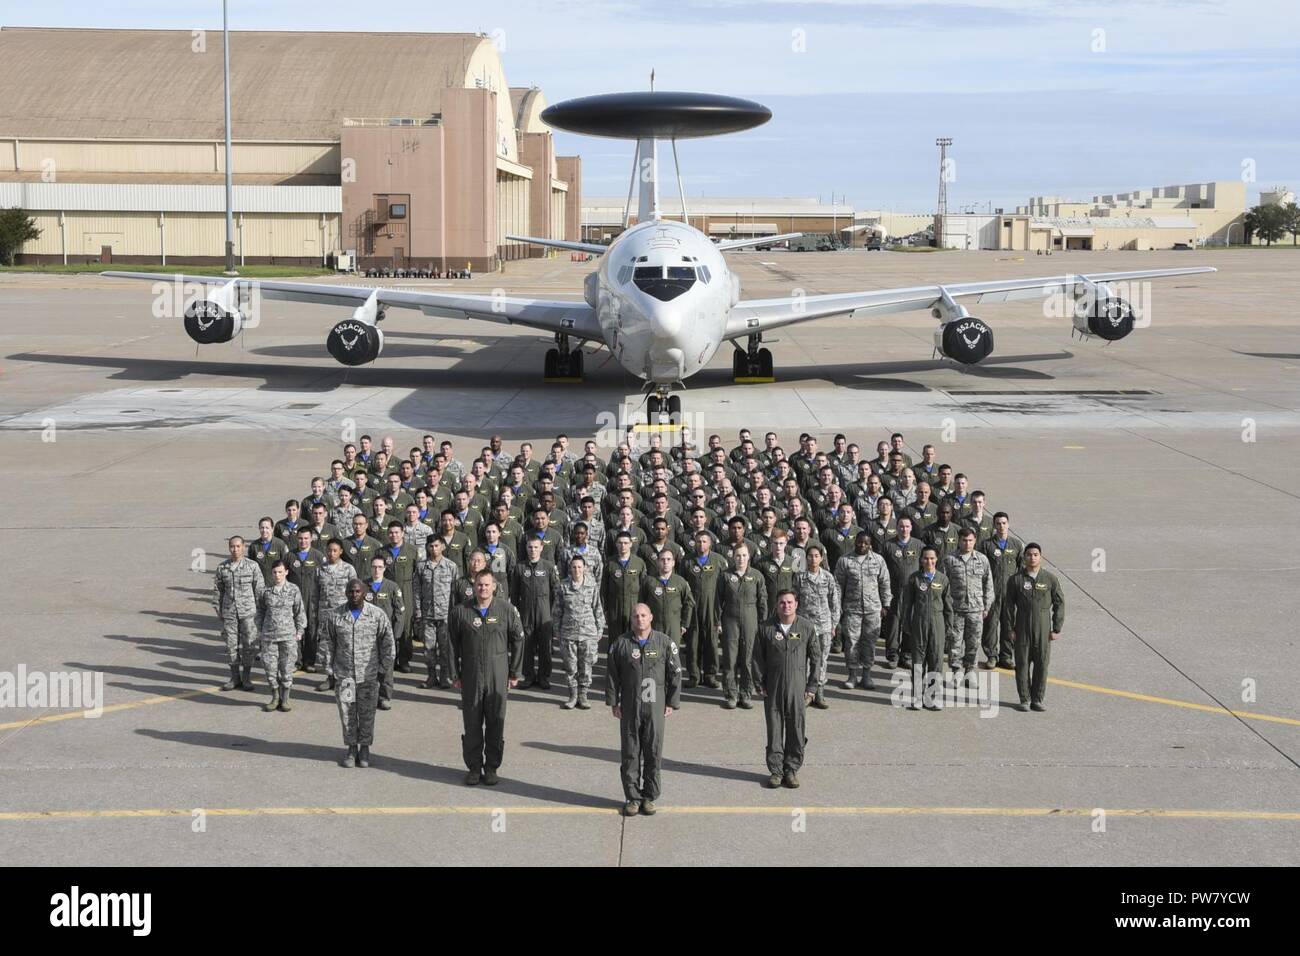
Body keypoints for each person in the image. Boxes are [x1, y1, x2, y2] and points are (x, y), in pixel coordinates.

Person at [447, 569, 525, 786]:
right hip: (471, 675)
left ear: (494, 586)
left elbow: (519, 640)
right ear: (474, 586)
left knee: (495, 722)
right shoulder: (460, 612)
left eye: (487, 584)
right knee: (471, 723)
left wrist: (515, 672)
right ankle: (473, 767)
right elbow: (451, 645)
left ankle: (491, 767)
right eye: (479, 584)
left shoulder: (506, 610)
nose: (483, 588)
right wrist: (454, 673)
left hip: (497, 675)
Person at [605, 603, 682, 817]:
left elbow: (675, 672)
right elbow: (612, 675)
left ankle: (649, 796)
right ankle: (632, 797)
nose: (640, 619)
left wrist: (671, 702)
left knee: (653, 751)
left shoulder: (664, 642)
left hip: (655, 705)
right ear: (631, 619)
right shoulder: (621, 644)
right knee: (630, 752)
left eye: (643, 615)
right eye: (636, 616)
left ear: (651, 618)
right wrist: (613, 702)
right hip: (630, 705)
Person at [322, 577, 395, 768]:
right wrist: (330, 669)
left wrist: (382, 669)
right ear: (346, 593)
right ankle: (351, 748)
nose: (354, 595)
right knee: (347, 714)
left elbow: (388, 643)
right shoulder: (335, 616)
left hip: (368, 676)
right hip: (345, 676)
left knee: (367, 714)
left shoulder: (377, 615)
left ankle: (364, 748)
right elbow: (327, 642)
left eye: (358, 591)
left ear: (364, 593)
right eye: (351, 591)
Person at [752, 590, 821, 789]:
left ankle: (791, 769)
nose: (786, 606)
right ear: (777, 604)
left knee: (796, 729)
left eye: (790, 602)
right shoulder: (765, 628)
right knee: (774, 730)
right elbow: (757, 658)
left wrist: (812, 686)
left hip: (797, 689)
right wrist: (759, 683)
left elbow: (816, 659)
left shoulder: (806, 627)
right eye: (782, 602)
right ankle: (776, 771)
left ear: (796, 604)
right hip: (772, 687)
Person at [1002, 543, 1065, 712]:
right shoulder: (1015, 579)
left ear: (1041, 557)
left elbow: (1059, 603)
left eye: (1035, 554)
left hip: (1043, 629)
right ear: (1024, 557)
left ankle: (1037, 699)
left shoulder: (1050, 579)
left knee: (1041, 665)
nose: (1032, 557)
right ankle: (1024, 698)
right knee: (1022, 665)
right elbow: (1008, 606)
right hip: (1022, 628)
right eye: (1029, 554)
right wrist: (1010, 628)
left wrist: (1056, 628)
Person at [897, 546, 953, 711]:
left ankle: (932, 698)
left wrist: (949, 626)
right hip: (919, 623)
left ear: (937, 560)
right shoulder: (914, 579)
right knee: (918, 662)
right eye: (926, 558)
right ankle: (916, 698)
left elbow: (949, 605)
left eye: (932, 558)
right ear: (921, 560)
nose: (929, 561)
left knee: (935, 661)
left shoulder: (943, 579)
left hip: (937, 623)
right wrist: (905, 623)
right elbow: (907, 603)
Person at [833, 531, 891, 690]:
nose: (862, 545)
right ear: (855, 542)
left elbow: (885, 583)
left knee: (870, 643)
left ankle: (867, 675)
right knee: (851, 642)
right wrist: (837, 607)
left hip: (873, 609)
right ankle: (852, 675)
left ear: (870, 544)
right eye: (860, 542)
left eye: (866, 543)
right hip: (852, 609)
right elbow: (838, 586)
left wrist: (886, 604)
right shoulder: (844, 560)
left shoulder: (878, 560)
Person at [551, 554, 606, 709]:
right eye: (574, 567)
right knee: (570, 666)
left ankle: (583, 695)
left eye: (579, 567)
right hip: (568, 632)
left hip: (588, 632)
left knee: (587, 665)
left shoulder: (592, 585)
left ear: (585, 568)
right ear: (570, 568)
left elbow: (597, 607)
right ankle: (572, 695)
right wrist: (557, 629)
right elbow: (557, 610)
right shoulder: (563, 586)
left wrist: (600, 627)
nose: (577, 570)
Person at [718, 546, 768, 710]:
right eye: (737, 555)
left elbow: (762, 602)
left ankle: (746, 694)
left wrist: (763, 623)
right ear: (733, 557)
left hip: (750, 620)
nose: (741, 558)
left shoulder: (756, 576)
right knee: (730, 659)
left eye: (744, 555)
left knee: (748, 659)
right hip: (730, 620)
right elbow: (718, 601)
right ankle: (731, 695)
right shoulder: (725, 575)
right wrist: (717, 622)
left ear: (749, 557)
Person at [213, 535, 264, 692]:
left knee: (249, 645)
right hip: (229, 613)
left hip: (249, 613)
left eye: (238, 546)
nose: (235, 550)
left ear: (243, 547)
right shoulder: (222, 568)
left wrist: (260, 613)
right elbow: (217, 591)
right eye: (232, 547)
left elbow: (260, 590)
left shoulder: (252, 566)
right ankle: (235, 677)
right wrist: (219, 610)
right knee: (231, 646)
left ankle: (247, 677)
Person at [942, 527, 994, 680]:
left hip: (976, 609)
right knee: (954, 642)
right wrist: (946, 608)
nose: (967, 543)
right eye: (964, 540)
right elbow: (944, 584)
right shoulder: (949, 559)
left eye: (970, 540)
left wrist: (987, 606)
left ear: (975, 540)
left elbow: (988, 584)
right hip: (956, 609)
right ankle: (956, 670)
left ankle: (970, 670)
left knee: (974, 642)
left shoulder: (982, 559)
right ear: (959, 540)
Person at [255, 559, 306, 712]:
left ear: (286, 572)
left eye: (280, 572)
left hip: (288, 636)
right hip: (269, 637)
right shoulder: (265, 591)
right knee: (270, 669)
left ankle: (285, 698)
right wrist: (260, 630)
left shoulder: (293, 590)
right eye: (275, 572)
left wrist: (300, 631)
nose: (277, 575)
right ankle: (275, 696)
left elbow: (299, 612)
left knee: (287, 668)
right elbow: (260, 612)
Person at [511, 535, 561, 691]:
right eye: (530, 547)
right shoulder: (519, 567)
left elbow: (556, 591)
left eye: (535, 547)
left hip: (544, 612)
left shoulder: (548, 566)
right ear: (526, 548)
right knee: (527, 646)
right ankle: (528, 676)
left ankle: (544, 677)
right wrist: (516, 613)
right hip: (525, 612)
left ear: (541, 548)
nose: (532, 550)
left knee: (545, 647)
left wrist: (553, 612)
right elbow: (514, 593)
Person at [795, 544, 840, 709]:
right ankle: (807, 692)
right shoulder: (800, 578)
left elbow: (834, 602)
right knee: (805, 660)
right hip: (805, 626)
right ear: (805, 558)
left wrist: (834, 624)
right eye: (810, 556)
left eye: (816, 556)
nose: (813, 559)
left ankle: (819, 691)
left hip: (824, 626)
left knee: (821, 660)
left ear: (821, 558)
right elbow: (795, 601)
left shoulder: (828, 577)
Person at [413, 536, 459, 689]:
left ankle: (445, 677)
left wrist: (455, 614)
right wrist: (418, 612)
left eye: (437, 546)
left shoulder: (451, 566)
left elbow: (455, 592)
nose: (434, 549)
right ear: (427, 547)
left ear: (443, 547)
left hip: (446, 615)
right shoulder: (421, 567)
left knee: (445, 648)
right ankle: (431, 676)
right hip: (427, 615)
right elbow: (417, 591)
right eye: (431, 546)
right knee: (428, 649)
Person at [979, 513, 1023, 669]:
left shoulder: (1016, 545)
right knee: (990, 626)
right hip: (992, 593)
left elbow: (1022, 569)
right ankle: (991, 655)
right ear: (994, 526)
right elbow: (980, 568)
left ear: (1008, 524)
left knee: (1009, 626)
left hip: (1010, 594)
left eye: (1004, 523)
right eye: (998, 523)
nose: (1001, 526)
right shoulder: (986, 545)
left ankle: (1006, 656)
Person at [313, 539, 357, 690]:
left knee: (345, 647)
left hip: (343, 614)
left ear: (340, 552)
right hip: (325, 615)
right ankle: (330, 677)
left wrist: (354, 613)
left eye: (335, 550)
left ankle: (346, 679)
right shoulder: (320, 570)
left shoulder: (348, 569)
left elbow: (355, 593)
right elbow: (315, 594)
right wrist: (314, 614)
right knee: (326, 648)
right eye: (329, 550)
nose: (331, 553)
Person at [364, 555, 404, 711]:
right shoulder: (363, 585)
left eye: (380, 567)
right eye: (374, 567)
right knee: (368, 667)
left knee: (386, 668)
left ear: (384, 569)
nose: (376, 570)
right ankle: (369, 697)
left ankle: (385, 697)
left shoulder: (392, 587)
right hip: (367, 635)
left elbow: (400, 613)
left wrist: (395, 635)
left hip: (386, 635)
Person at [286, 528, 324, 670]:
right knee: (295, 629)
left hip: (312, 600)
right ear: (297, 538)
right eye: (301, 538)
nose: (303, 541)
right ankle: (297, 661)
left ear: (311, 539)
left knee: (311, 630)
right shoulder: (290, 556)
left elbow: (323, 578)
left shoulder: (318, 556)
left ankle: (309, 661)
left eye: (306, 538)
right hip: (294, 600)